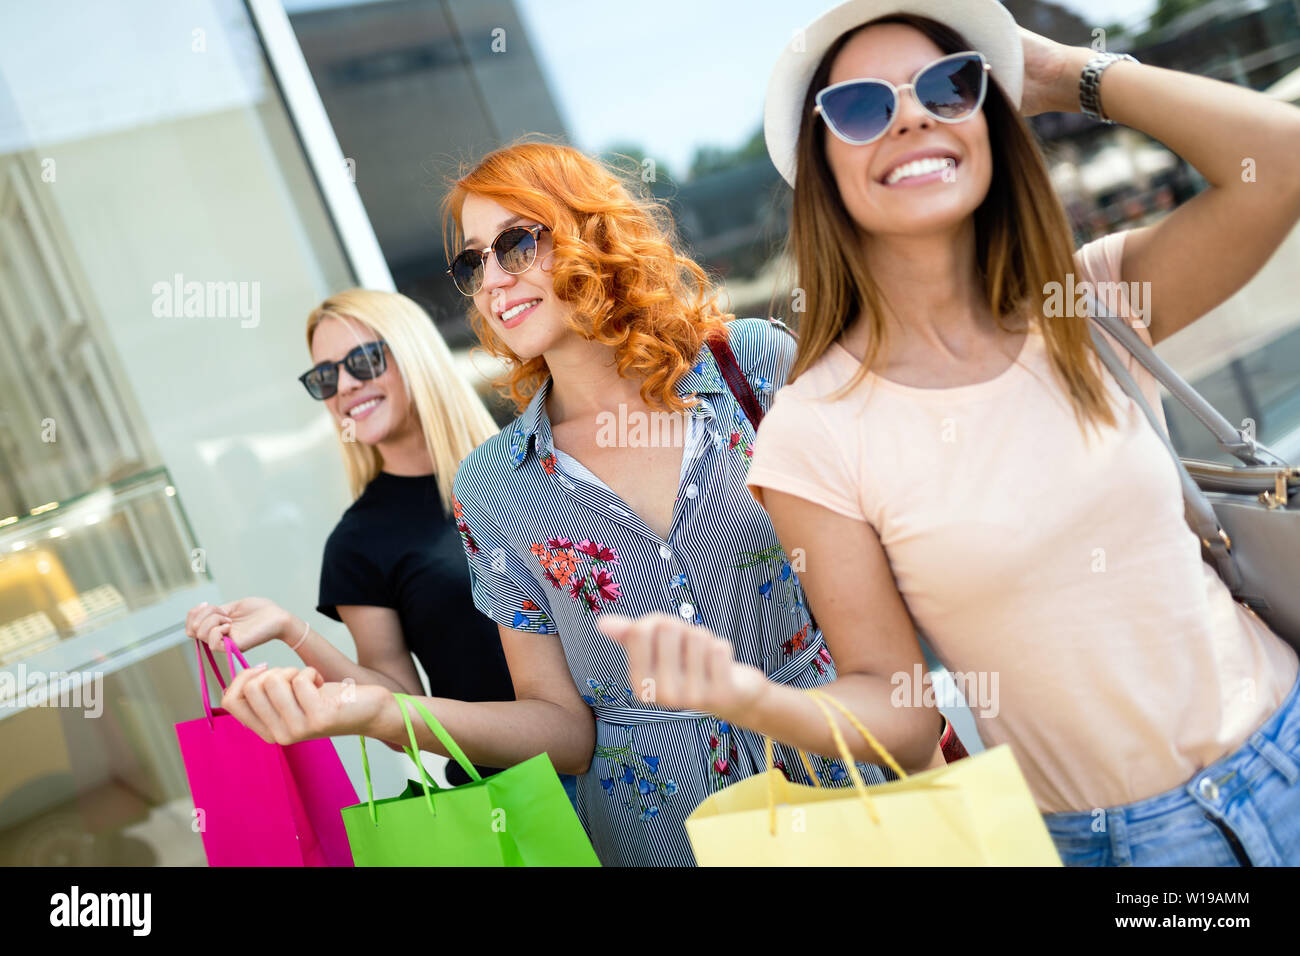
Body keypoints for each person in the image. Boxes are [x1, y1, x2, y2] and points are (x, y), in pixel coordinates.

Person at [609, 0, 1300, 865]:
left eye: (949, 85)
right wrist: (747, 697)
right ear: (822, 167)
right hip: (1133, 852)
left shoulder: (1089, 303)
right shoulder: (814, 434)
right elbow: (900, 717)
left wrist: (1065, 75)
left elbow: (1279, 163)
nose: (910, 114)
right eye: (861, 106)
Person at [210, 141, 970, 867]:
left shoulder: (752, 368)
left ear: (594, 234)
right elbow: (564, 730)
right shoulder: (494, 486)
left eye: (515, 244)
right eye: (473, 262)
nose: (493, 278)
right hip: (663, 839)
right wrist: (382, 715)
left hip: (860, 794)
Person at [185, 289, 576, 793]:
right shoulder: (358, 543)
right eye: (325, 377)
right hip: (517, 795)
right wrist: (291, 629)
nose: (345, 385)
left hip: (640, 752)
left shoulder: (532, 456)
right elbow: (398, 714)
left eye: (364, 360)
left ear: (413, 353)